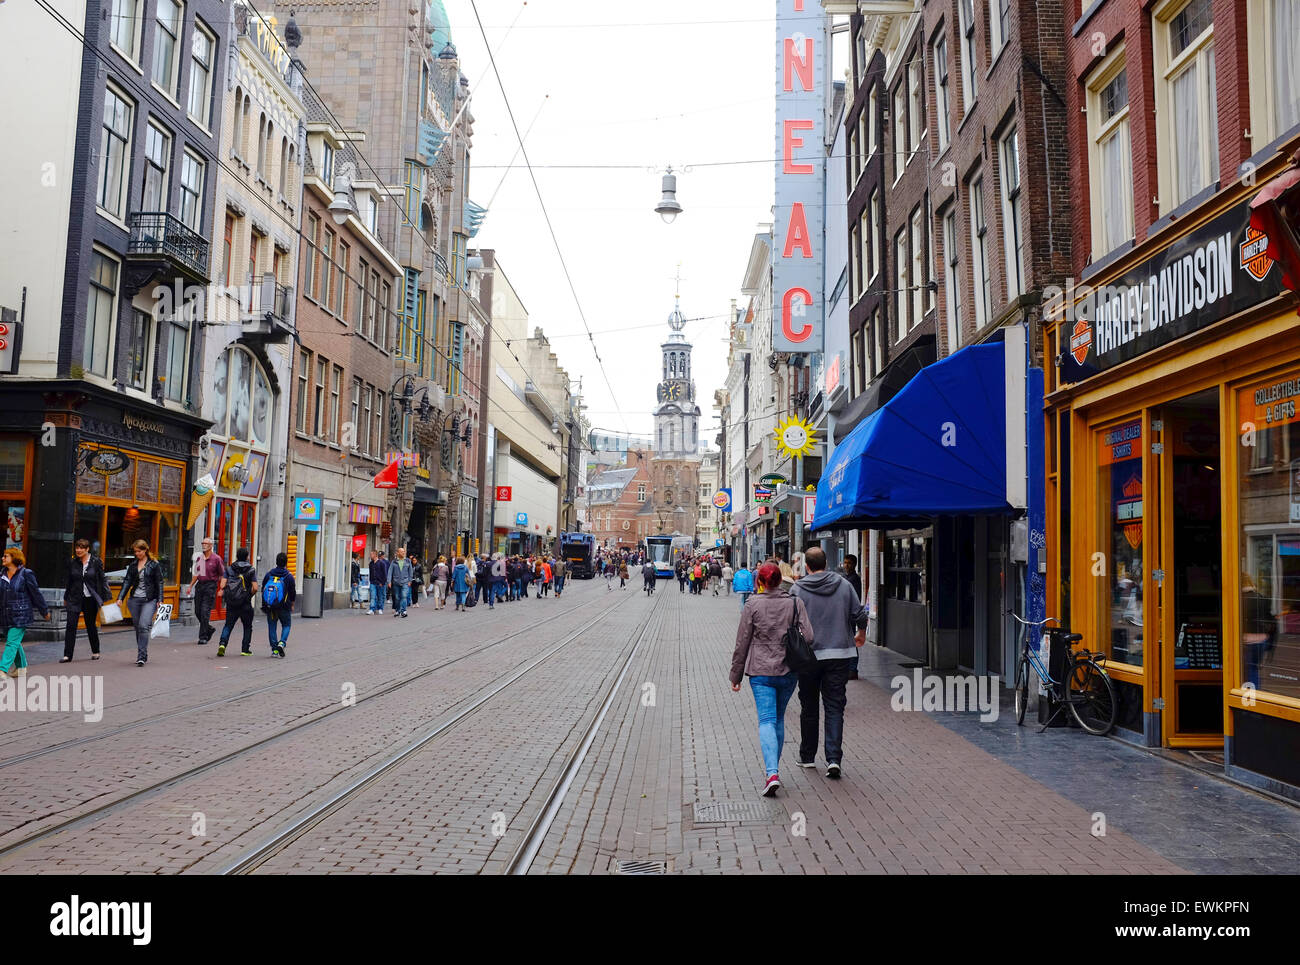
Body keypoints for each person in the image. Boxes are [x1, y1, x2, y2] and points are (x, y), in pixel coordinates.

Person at [729, 561, 813, 798]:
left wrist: (736, 675)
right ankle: (772, 771)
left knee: (766, 720)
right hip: (788, 672)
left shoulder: (752, 604)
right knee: (777, 719)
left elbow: (742, 642)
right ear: (779, 580)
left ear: (761, 582)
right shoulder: (796, 603)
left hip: (761, 672)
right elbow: (809, 636)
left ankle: (772, 773)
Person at [790, 547, 868, 778]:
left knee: (809, 707)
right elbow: (859, 614)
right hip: (839, 655)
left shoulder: (797, 589)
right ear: (827, 562)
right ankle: (834, 759)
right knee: (834, 707)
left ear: (807, 566)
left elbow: (790, 622)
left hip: (808, 657)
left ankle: (807, 757)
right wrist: (861, 634)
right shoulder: (844, 585)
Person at [1, 548, 51, 678]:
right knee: (14, 642)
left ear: (14, 558)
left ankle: (2, 669)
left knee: (11, 642)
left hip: (21, 614)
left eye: (6, 556)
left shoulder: (26, 573)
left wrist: (44, 610)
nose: (3, 558)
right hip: (5, 615)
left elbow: (36, 593)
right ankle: (21, 668)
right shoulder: (2, 574)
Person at [117, 539, 163, 667]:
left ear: (145, 550)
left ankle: (141, 656)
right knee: (138, 627)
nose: (137, 554)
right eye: (135, 551)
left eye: (139, 551)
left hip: (149, 600)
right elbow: (127, 581)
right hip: (134, 600)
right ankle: (143, 653)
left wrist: (160, 599)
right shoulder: (133, 565)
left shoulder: (154, 564)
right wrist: (120, 597)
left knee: (143, 625)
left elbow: (159, 582)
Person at [62, 538, 110, 662]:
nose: (78, 550)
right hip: (74, 597)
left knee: (90, 625)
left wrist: (104, 597)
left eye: (81, 548)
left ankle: (95, 651)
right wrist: (66, 597)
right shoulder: (73, 563)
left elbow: (102, 580)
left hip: (90, 598)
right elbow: (69, 581)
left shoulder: (96, 562)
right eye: (77, 547)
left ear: (87, 549)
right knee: (71, 625)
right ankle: (67, 655)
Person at [217, 547, 258, 657]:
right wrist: (249, 595)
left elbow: (222, 584)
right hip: (245, 602)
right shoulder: (251, 570)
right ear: (247, 557)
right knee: (247, 626)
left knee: (228, 625)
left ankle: (222, 644)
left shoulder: (230, 569)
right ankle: (245, 649)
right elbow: (255, 587)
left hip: (232, 602)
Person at [188, 536, 224, 644]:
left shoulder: (216, 559)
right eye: (202, 543)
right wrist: (190, 586)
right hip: (200, 586)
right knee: (197, 611)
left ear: (211, 546)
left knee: (205, 612)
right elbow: (197, 574)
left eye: (206, 544)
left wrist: (221, 588)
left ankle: (203, 637)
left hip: (210, 586)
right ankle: (209, 628)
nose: (203, 545)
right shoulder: (200, 558)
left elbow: (222, 575)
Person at [260, 552, 297, 657]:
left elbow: (263, 589)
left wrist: (266, 603)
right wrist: (292, 604)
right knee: (286, 625)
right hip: (284, 606)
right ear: (286, 563)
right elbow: (292, 592)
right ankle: (282, 643)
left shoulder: (269, 574)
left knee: (272, 626)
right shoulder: (289, 576)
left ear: (276, 561)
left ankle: (274, 650)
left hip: (271, 606)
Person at [838, 554, 862, 679]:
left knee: (851, 642)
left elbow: (854, 599)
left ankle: (852, 669)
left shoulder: (854, 579)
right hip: (845, 615)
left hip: (850, 616)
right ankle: (849, 668)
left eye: (849, 563)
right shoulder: (846, 578)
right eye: (845, 562)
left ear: (854, 565)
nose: (846, 565)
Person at [389, 546, 413, 619]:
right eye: (401, 552)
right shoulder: (394, 561)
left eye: (404, 552)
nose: (403, 553)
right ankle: (397, 610)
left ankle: (403, 611)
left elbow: (410, 571)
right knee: (397, 597)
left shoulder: (408, 561)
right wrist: (389, 581)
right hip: (396, 582)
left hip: (405, 581)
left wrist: (410, 580)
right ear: (398, 553)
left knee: (404, 596)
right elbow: (390, 572)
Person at [368, 550, 389, 615]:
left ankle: (380, 608)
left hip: (380, 583)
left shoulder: (382, 563)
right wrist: (370, 581)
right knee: (373, 596)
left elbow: (384, 574)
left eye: (371, 554)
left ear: (375, 555)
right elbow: (370, 573)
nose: (370, 556)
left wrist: (382, 582)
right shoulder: (370, 564)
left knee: (380, 596)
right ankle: (372, 609)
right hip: (373, 582)